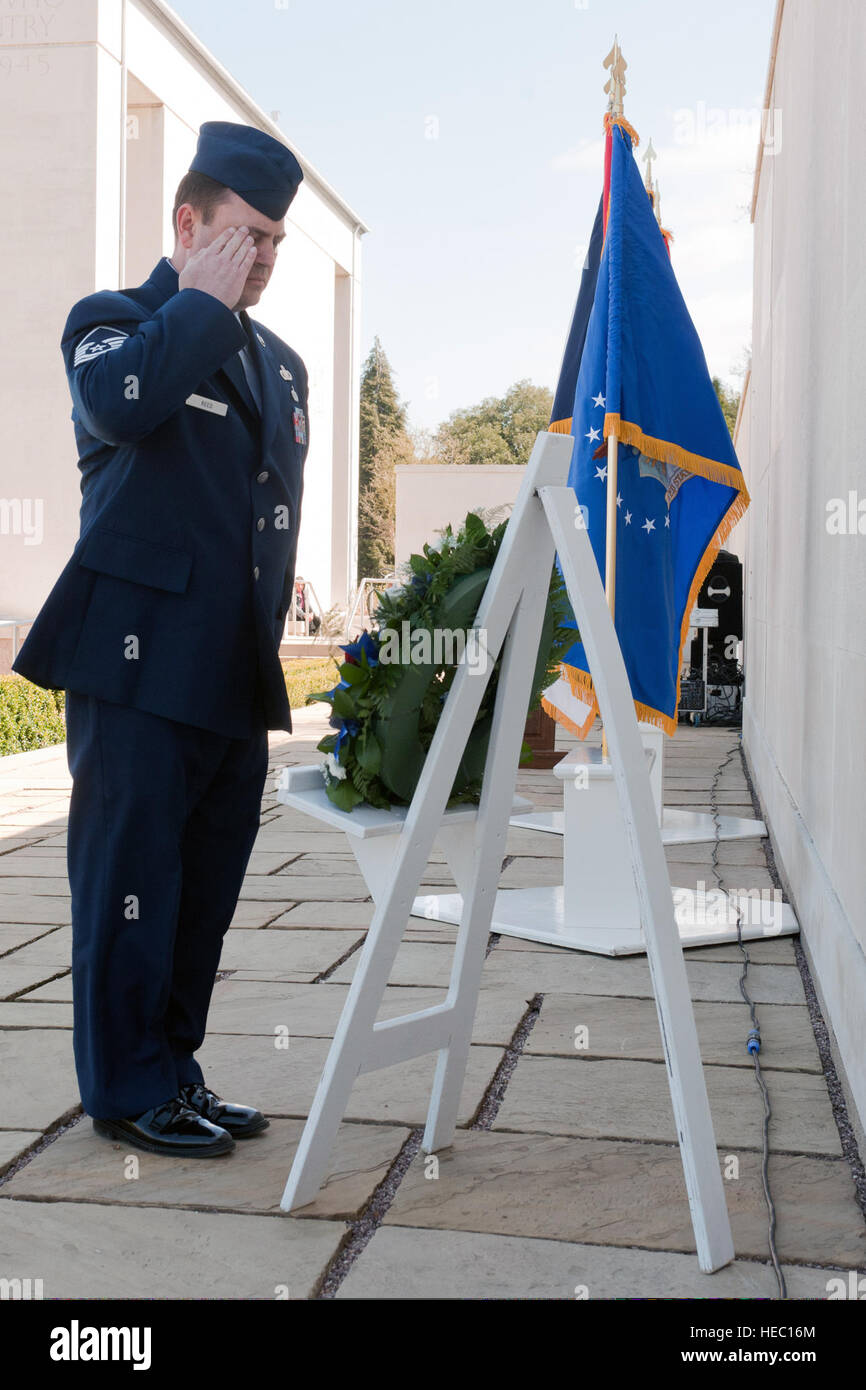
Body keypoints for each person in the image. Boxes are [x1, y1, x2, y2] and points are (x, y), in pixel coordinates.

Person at [12, 121, 311, 1158]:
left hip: (231, 668)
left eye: (275, 242)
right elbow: (121, 407)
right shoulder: (116, 323)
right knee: (128, 879)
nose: (263, 258)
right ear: (188, 224)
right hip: (134, 661)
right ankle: (124, 1088)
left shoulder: (280, 363)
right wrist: (198, 300)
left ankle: (174, 1071)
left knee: (200, 890)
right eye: (244, 236)